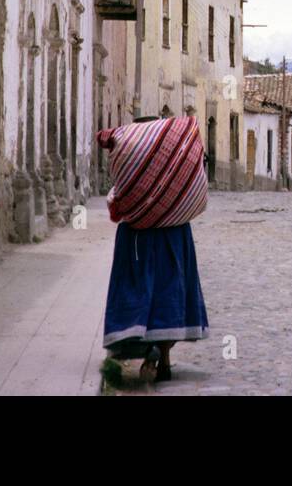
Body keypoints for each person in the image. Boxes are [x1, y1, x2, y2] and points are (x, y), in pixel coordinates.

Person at [98, 117, 209, 383]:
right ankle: (164, 357)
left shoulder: (131, 162)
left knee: (138, 288)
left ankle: (146, 347)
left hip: (137, 237)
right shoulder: (174, 162)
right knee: (170, 290)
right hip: (174, 234)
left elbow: (118, 198)